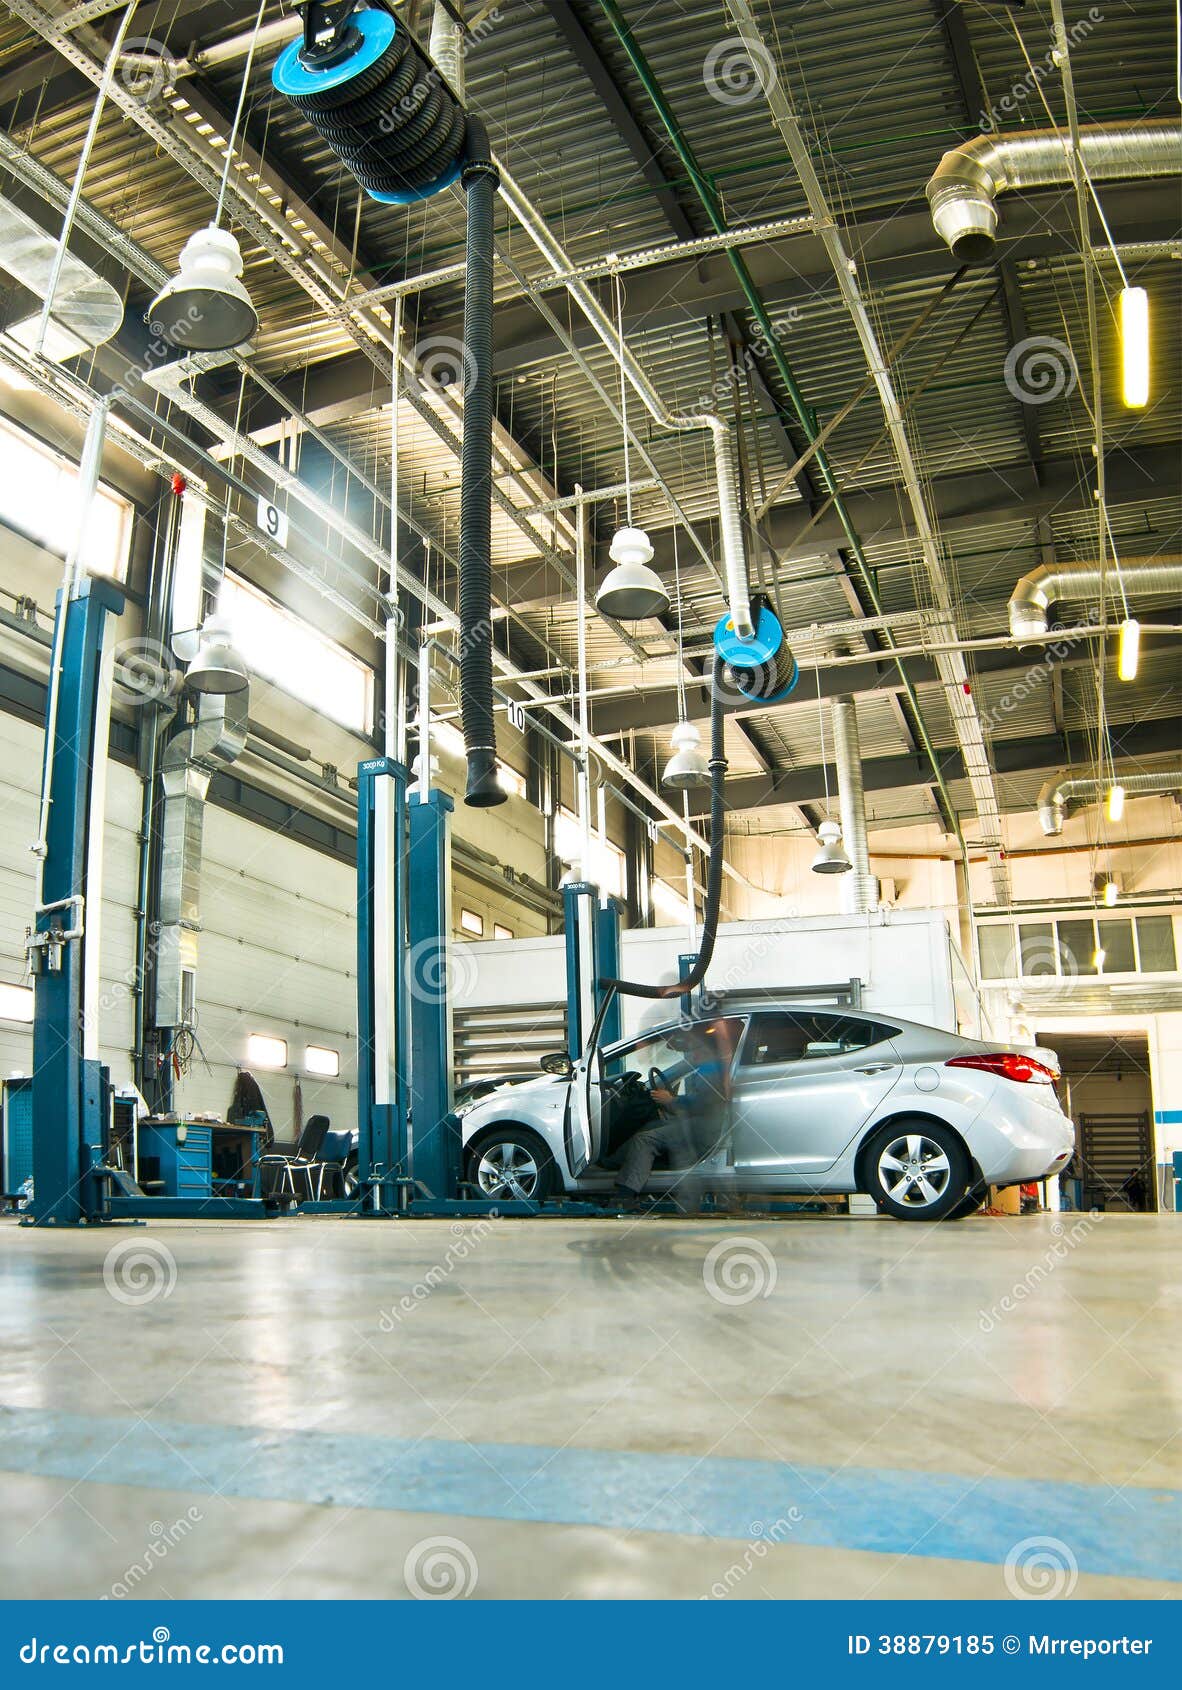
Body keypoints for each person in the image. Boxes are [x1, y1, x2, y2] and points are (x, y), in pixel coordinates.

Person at [614, 1021, 735, 1210]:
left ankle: (625, 1194)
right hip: (703, 1124)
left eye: (696, 1049)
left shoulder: (710, 1070)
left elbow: (703, 1103)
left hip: (703, 1129)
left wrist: (671, 1101)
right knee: (654, 1126)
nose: (692, 1054)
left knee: (644, 1139)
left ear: (706, 1050)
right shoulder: (710, 1068)